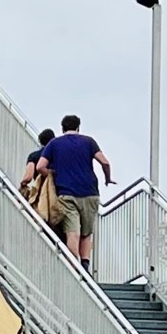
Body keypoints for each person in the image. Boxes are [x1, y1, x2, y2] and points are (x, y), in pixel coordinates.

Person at [37, 114, 112, 269]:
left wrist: (52, 173)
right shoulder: (89, 142)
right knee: (86, 233)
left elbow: (40, 167)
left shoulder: (54, 144)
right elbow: (104, 162)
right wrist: (107, 178)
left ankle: (74, 267)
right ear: (78, 127)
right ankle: (85, 267)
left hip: (66, 193)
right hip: (90, 192)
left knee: (72, 232)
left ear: (62, 128)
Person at [21, 128, 74, 245]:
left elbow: (28, 177)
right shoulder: (61, 155)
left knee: (47, 225)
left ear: (40, 142)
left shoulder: (34, 156)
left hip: (44, 198)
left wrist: (22, 184)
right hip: (63, 194)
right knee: (66, 228)